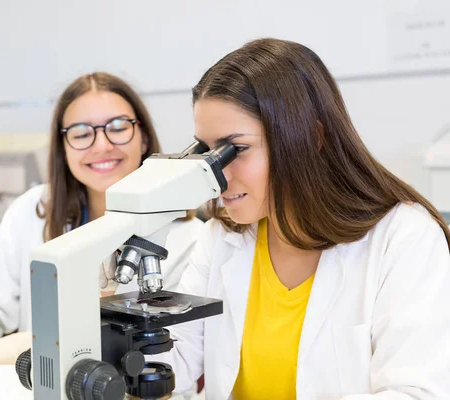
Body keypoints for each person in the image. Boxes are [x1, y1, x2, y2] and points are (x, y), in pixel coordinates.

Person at [157, 38, 450, 399]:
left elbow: (416, 393)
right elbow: (171, 368)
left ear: (312, 137)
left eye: (238, 149)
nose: (217, 175)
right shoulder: (220, 237)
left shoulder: (404, 238)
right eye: (207, 151)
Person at [0, 72, 204, 374]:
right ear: (63, 147)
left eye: (118, 127)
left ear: (144, 136)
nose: (101, 145)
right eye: (82, 133)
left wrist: (31, 345)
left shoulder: (186, 236)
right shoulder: (32, 210)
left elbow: (176, 357)